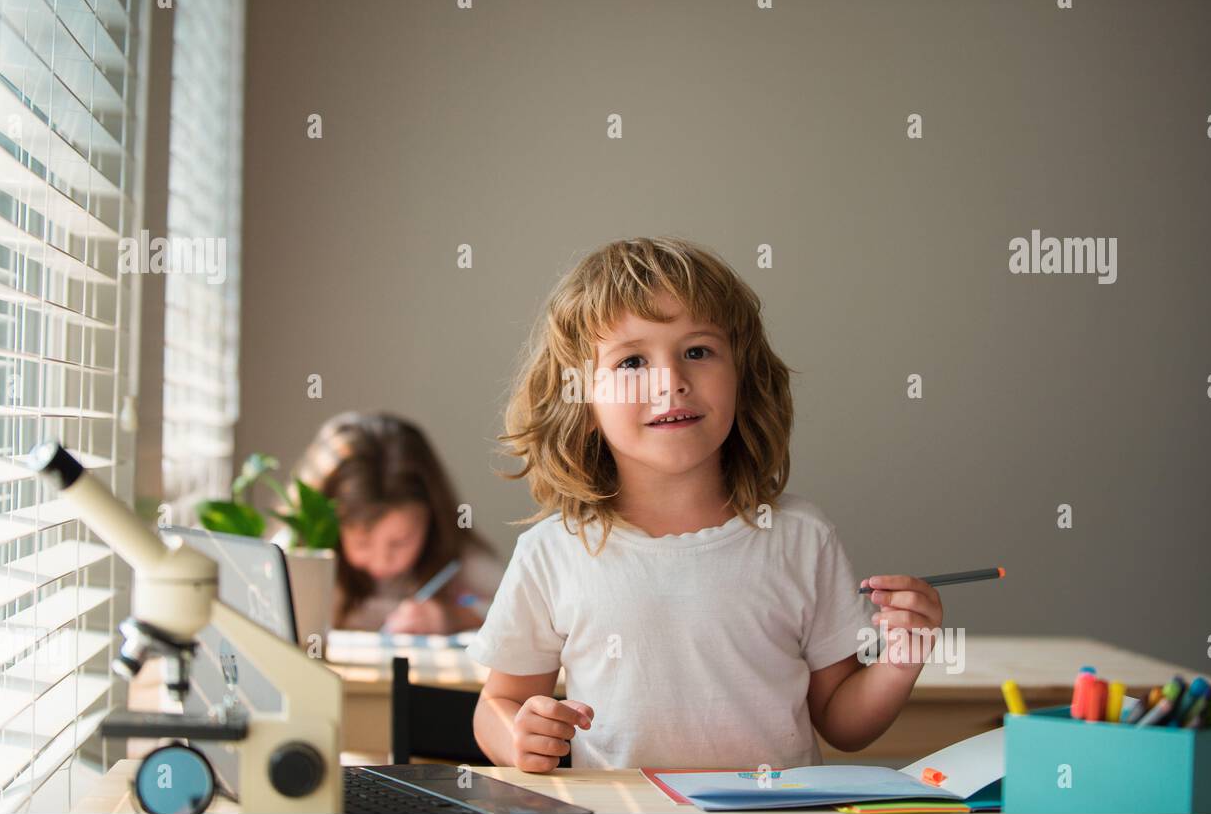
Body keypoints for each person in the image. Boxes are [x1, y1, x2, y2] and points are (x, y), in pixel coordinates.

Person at [468, 236, 944, 771]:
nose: (671, 382)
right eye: (631, 362)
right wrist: (519, 738)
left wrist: (899, 664)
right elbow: (497, 703)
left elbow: (841, 722)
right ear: (580, 397)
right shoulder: (552, 551)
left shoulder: (802, 537)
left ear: (744, 375)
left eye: (697, 351)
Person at [292, 411, 503, 633]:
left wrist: (452, 616)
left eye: (400, 542)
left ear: (432, 518)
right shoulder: (300, 555)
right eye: (362, 543)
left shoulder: (455, 554)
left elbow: (515, 606)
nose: (382, 561)